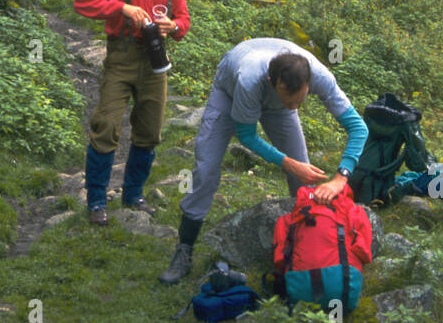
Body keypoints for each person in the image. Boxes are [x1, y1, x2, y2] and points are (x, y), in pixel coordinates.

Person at [158, 38, 369, 285]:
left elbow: (358, 127)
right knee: (206, 168)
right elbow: (246, 135)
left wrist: (341, 177)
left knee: (303, 178)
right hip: (228, 93)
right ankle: (184, 249)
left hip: (275, 106)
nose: (294, 106)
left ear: (308, 85)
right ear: (274, 83)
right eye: (289, 100)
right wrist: (286, 162)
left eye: (299, 102)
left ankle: (306, 256)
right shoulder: (249, 80)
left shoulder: (319, 77)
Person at [73, 0, 190, 226]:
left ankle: (133, 194)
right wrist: (121, 7)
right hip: (121, 59)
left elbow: (184, 21)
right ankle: (97, 201)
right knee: (107, 125)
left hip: (155, 63)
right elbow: (82, 1)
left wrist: (172, 26)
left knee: (150, 131)